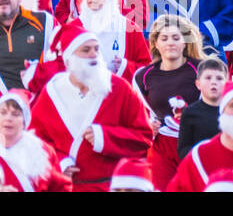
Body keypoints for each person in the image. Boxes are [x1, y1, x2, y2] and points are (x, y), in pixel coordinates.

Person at [30, 23, 153, 191]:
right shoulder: (52, 92)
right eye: (86, 50)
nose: (94, 55)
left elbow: (144, 137)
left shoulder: (119, 88)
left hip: (109, 185)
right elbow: (35, 140)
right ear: (69, 58)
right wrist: (58, 161)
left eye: (97, 49)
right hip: (64, 186)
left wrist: (106, 137)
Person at [133, 14, 203, 189]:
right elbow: (139, 114)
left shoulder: (202, 69)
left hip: (196, 142)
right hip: (162, 146)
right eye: (164, 38)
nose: (170, 43)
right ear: (156, 43)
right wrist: (149, 124)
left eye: (175, 38)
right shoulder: (143, 76)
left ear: (184, 42)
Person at [176, 56, 228, 157]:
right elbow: (183, 149)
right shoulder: (189, 113)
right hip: (200, 168)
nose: (214, 82)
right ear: (198, 84)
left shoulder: (232, 111)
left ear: (227, 83)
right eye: (208, 78)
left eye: (219, 78)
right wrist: (206, 152)